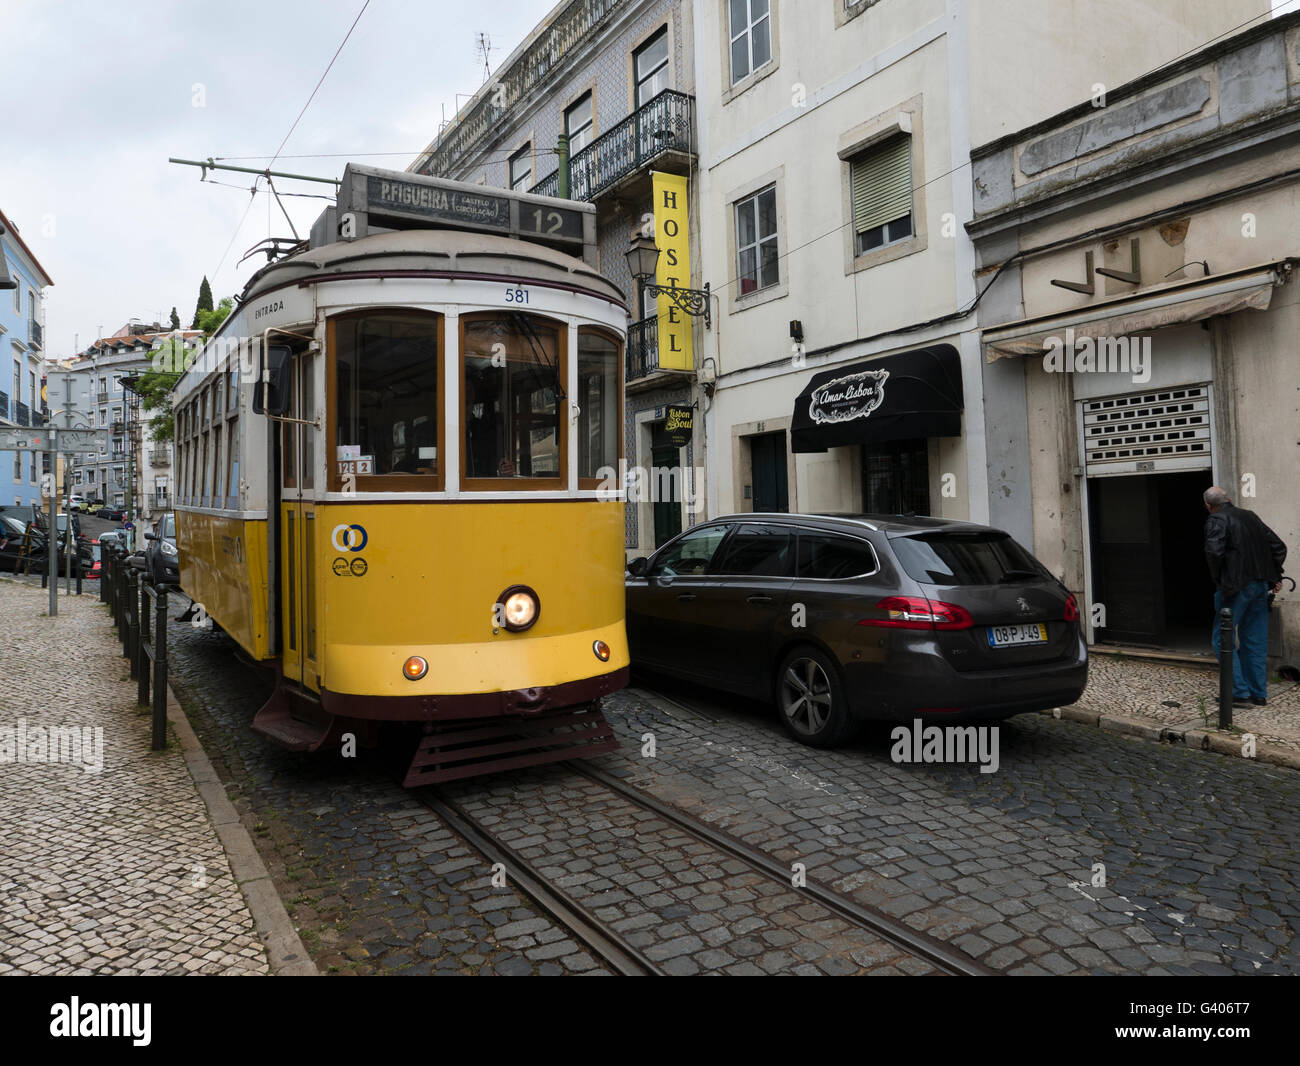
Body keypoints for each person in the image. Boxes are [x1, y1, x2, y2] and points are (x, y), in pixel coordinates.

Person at [1203, 486, 1288, 706]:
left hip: (1235, 587)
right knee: (1255, 640)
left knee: (1222, 638)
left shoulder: (1217, 520)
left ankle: (1239, 693)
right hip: (1259, 586)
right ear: (1230, 499)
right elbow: (1278, 546)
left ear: (1208, 506)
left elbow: (1214, 552)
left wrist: (1220, 580)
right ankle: (1258, 693)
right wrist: (1274, 575)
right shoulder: (1251, 517)